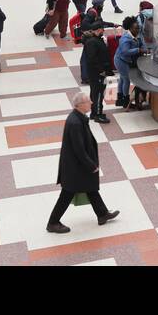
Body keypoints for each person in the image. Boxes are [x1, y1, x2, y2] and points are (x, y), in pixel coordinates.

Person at [45, 92, 120, 234]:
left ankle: (102, 214)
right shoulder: (75, 123)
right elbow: (79, 149)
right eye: (88, 101)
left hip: (77, 165)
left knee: (91, 188)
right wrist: (91, 165)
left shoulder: (79, 118)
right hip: (75, 167)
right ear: (80, 105)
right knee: (67, 193)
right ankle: (53, 222)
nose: (91, 103)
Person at [82, 25, 112, 122]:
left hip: (96, 73)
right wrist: (101, 70)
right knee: (98, 93)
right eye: (102, 29)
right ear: (98, 30)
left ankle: (94, 112)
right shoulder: (93, 42)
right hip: (97, 73)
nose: (103, 31)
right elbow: (92, 59)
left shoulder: (95, 40)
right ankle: (98, 114)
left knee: (95, 93)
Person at [114, 17, 143, 110]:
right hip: (121, 61)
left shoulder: (135, 36)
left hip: (124, 60)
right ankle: (126, 101)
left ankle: (120, 99)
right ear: (130, 28)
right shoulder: (126, 38)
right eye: (135, 28)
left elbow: (141, 43)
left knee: (122, 79)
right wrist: (138, 50)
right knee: (126, 79)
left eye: (138, 28)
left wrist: (142, 47)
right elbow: (125, 51)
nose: (137, 29)